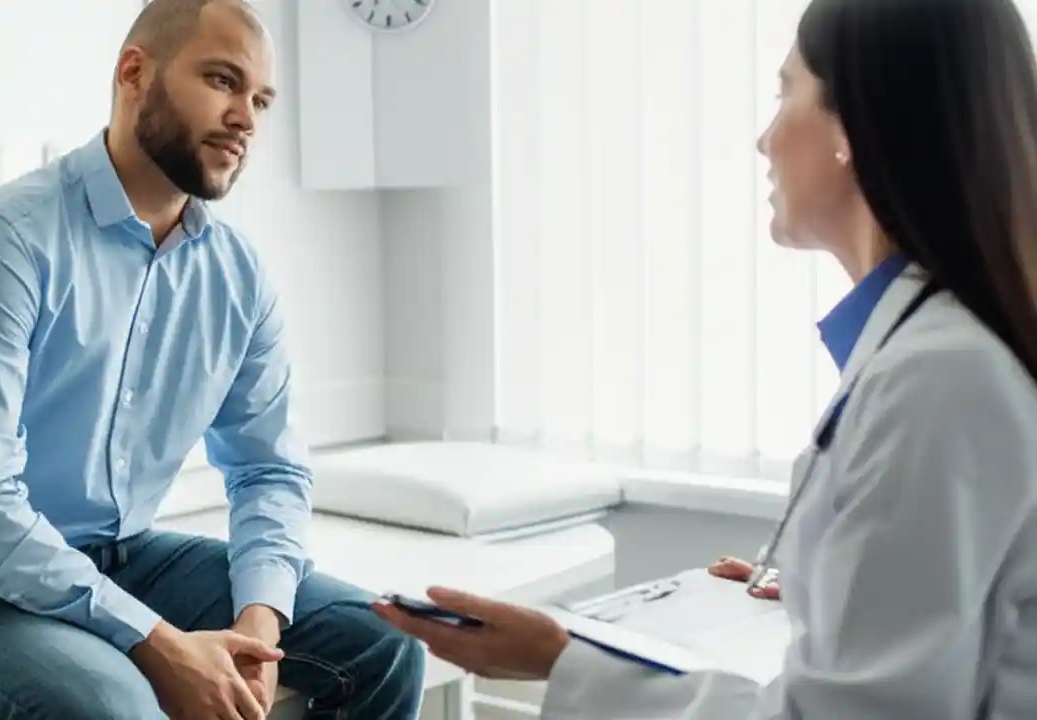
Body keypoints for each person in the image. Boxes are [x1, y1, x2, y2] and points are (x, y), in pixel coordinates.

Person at [374, 0, 1037, 716]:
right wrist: (829, 582)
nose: (763, 140)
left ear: (853, 125)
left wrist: (563, 660)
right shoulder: (940, 350)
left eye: (786, 94)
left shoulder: (940, 377)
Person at [0, 1, 424, 718]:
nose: (247, 118)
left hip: (125, 557)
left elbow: (268, 469)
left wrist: (260, 622)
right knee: (117, 705)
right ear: (134, 71)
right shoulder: (2, 243)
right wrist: (158, 643)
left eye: (260, 99)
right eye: (223, 81)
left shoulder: (238, 274)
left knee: (383, 645)